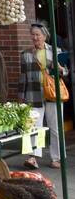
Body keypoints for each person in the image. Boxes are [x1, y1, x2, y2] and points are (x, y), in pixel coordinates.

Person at [20, 22, 68, 168]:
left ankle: (56, 158)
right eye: (33, 35)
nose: (35, 38)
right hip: (33, 94)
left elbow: (65, 72)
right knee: (34, 127)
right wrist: (21, 95)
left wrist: (61, 69)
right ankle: (33, 157)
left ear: (44, 36)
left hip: (53, 93)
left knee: (55, 127)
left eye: (37, 35)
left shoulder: (56, 51)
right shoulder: (26, 54)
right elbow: (23, 77)